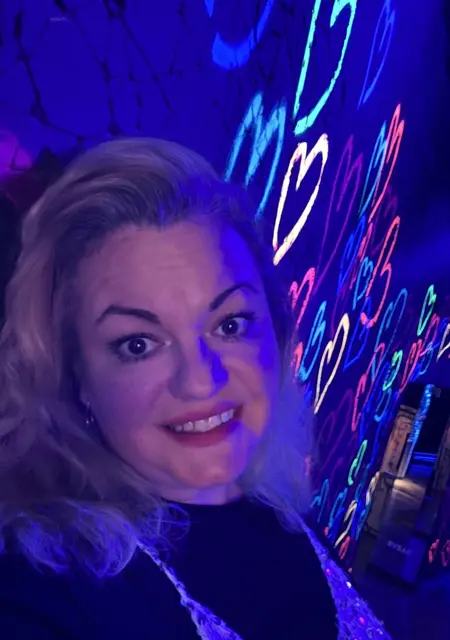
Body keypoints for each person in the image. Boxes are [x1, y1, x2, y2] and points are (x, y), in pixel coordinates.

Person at [0, 138, 390, 639]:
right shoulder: (49, 589)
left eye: (230, 325)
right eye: (138, 344)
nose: (202, 380)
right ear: (77, 380)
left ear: (275, 332)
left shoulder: (289, 519)